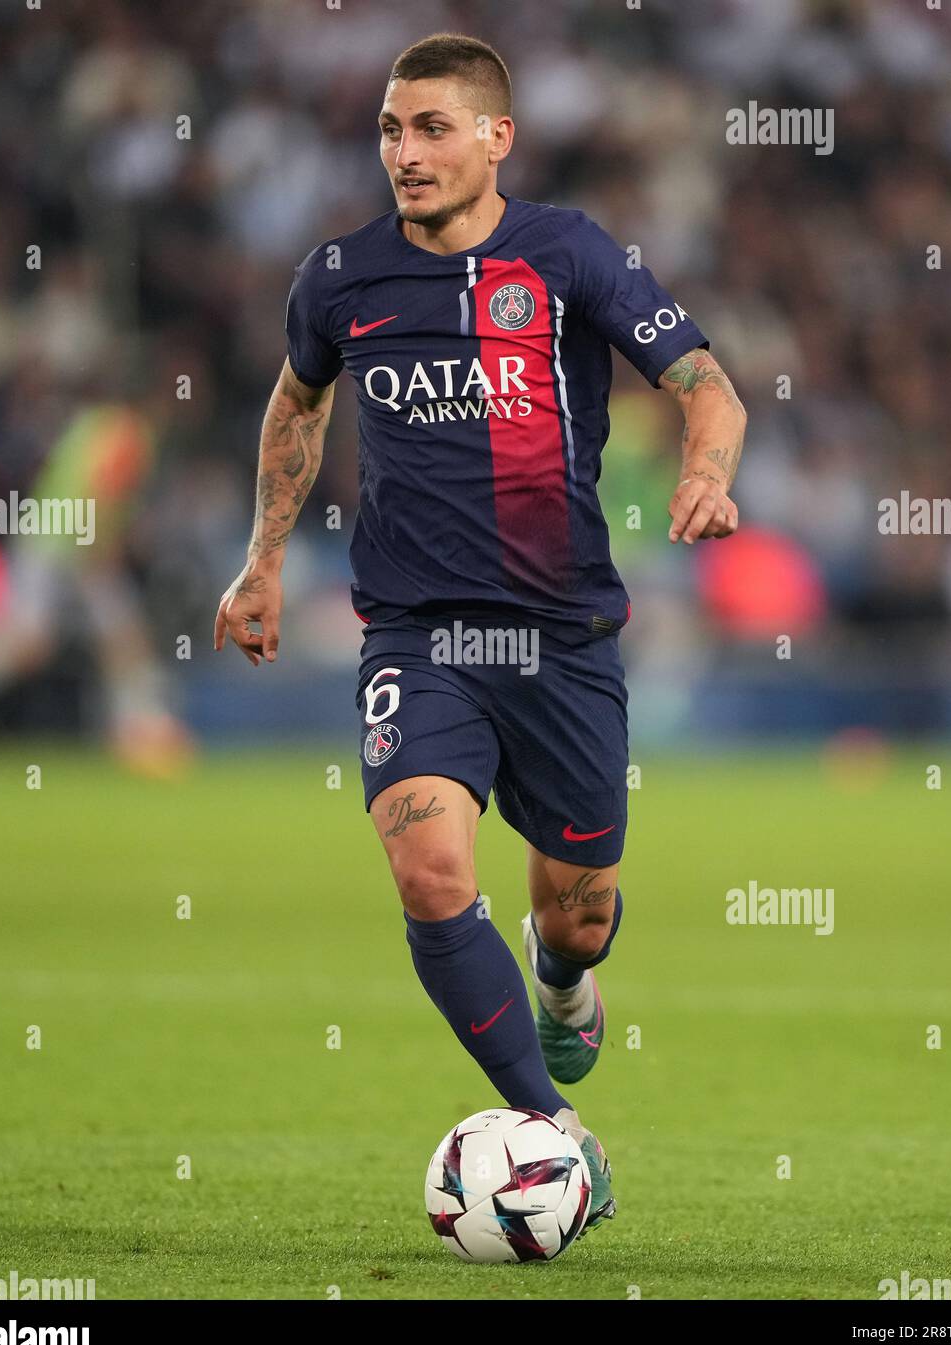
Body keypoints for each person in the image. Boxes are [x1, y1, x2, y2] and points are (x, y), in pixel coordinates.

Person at [215, 32, 746, 1243]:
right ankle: (556, 1133)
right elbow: (297, 403)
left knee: (578, 910)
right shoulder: (341, 278)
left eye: (434, 129)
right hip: (417, 635)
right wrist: (261, 559)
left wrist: (708, 475)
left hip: (560, 638)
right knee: (429, 872)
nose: (406, 153)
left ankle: (561, 979)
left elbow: (707, 384)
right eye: (393, 130)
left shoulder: (566, 255)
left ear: (497, 137)